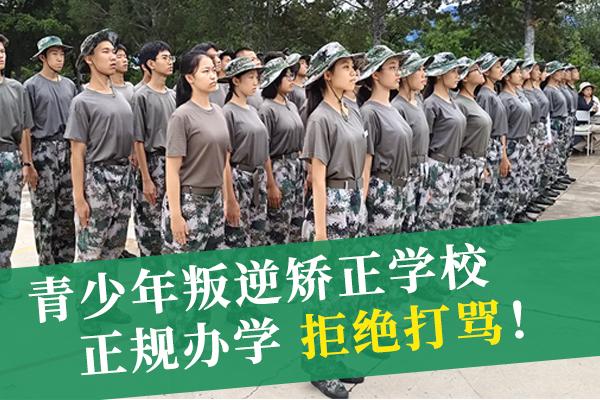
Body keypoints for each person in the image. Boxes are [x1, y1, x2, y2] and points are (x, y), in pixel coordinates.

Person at [302, 42, 370, 399]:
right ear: (327, 75)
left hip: (354, 203)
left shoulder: (351, 110)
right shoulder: (320, 118)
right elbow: (317, 180)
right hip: (332, 205)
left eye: (353, 66)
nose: (353, 72)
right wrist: (321, 233)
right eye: (345, 67)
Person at [64, 29, 134, 262]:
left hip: (123, 177)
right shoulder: (82, 101)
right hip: (98, 179)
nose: (113, 57)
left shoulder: (121, 97)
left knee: (114, 250)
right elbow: (77, 153)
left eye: (113, 52)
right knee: (90, 253)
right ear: (89, 59)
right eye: (105, 52)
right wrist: (79, 198)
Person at [161, 49, 235, 253]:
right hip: (190, 201)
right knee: (185, 265)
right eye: (205, 71)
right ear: (190, 78)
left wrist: (228, 198)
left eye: (213, 70)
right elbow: (172, 170)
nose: (212, 76)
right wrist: (176, 215)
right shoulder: (181, 116)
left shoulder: (219, 111)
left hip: (215, 199)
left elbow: (224, 160)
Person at [23, 36, 78, 266]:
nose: (59, 58)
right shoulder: (31, 86)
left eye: (61, 54)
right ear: (42, 58)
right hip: (43, 150)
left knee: (67, 211)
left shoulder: (70, 86)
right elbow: (26, 128)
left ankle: (65, 262)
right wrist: (28, 163)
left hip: (67, 148)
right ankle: (47, 264)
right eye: (54, 54)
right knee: (45, 211)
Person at [357, 45, 412, 235]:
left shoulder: (393, 110)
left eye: (398, 68)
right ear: (375, 74)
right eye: (392, 68)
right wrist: (361, 204)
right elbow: (366, 161)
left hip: (400, 188)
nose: (398, 73)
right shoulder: (369, 112)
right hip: (382, 190)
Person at [131, 41, 176, 256]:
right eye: (164, 58)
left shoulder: (173, 95)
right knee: (149, 224)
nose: (170, 62)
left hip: (172, 162)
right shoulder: (141, 96)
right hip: (152, 161)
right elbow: (138, 140)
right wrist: (146, 178)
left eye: (170, 58)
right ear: (150, 64)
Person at [0, 33, 35, 298]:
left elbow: (24, 129)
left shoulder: (16, 88)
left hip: (11, 158)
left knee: (9, 221)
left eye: (2, 51)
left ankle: (5, 279)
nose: (0, 56)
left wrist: (26, 162)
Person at [222, 57, 270, 248]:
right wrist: (230, 198)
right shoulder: (228, 112)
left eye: (256, 77)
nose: (255, 82)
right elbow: (224, 160)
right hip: (239, 178)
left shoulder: (252, 109)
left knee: (258, 237)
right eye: (250, 77)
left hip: (258, 177)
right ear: (236, 80)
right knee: (238, 239)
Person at [258, 54, 305, 244]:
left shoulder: (291, 105)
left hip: (296, 166)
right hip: (279, 167)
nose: (291, 79)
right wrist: (271, 184)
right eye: (287, 76)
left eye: (291, 74)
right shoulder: (266, 109)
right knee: (279, 225)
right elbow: (264, 150)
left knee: (297, 223)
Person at [420, 52, 467, 231]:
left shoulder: (453, 101)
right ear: (440, 74)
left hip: (454, 166)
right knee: (433, 219)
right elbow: (425, 140)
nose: (457, 76)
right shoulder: (431, 104)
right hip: (438, 167)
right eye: (453, 71)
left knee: (447, 218)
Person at [392, 50, 432, 232]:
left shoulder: (419, 101)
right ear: (406, 73)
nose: (424, 75)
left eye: (424, 69)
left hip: (423, 170)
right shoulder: (397, 107)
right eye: (419, 69)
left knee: (419, 224)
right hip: (407, 172)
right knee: (406, 225)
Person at [452, 57, 491, 227]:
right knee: (464, 212)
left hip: (478, 161)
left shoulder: (472, 100)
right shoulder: (459, 103)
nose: (481, 72)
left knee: (474, 210)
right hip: (467, 162)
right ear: (465, 78)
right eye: (475, 69)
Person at [475, 52, 511, 225]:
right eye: (497, 67)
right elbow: (484, 130)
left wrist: (503, 153)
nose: (501, 69)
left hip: (496, 146)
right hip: (489, 148)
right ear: (486, 71)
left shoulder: (493, 93)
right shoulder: (485, 96)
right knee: (487, 193)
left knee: (493, 192)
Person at [496, 59, 532, 224]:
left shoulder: (518, 93)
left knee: (518, 183)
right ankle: (503, 221)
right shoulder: (504, 98)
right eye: (516, 72)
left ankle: (514, 215)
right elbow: (502, 129)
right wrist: (504, 154)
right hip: (511, 144)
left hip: (522, 142)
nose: (520, 74)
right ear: (507, 77)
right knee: (507, 187)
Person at [521, 60, 552, 213]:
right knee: (526, 170)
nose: (539, 73)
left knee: (535, 168)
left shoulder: (534, 90)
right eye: (536, 69)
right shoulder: (523, 92)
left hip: (537, 130)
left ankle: (532, 197)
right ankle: (525, 203)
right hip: (528, 132)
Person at [543, 61, 570, 200]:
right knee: (551, 155)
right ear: (552, 74)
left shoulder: (557, 88)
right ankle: (547, 184)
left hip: (561, 122)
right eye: (558, 71)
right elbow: (548, 111)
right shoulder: (548, 90)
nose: (561, 74)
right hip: (555, 122)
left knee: (558, 153)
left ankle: (554, 179)